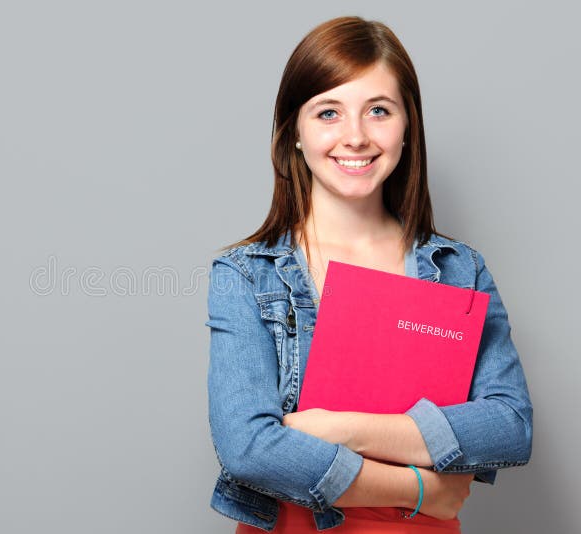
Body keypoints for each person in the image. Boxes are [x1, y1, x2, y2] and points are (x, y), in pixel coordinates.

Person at [205, 16, 532, 533]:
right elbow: (248, 450)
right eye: (328, 112)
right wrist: (420, 487)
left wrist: (343, 429)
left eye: (378, 110)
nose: (354, 137)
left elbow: (510, 426)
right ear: (295, 132)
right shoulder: (245, 275)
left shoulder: (458, 269)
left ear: (408, 128)